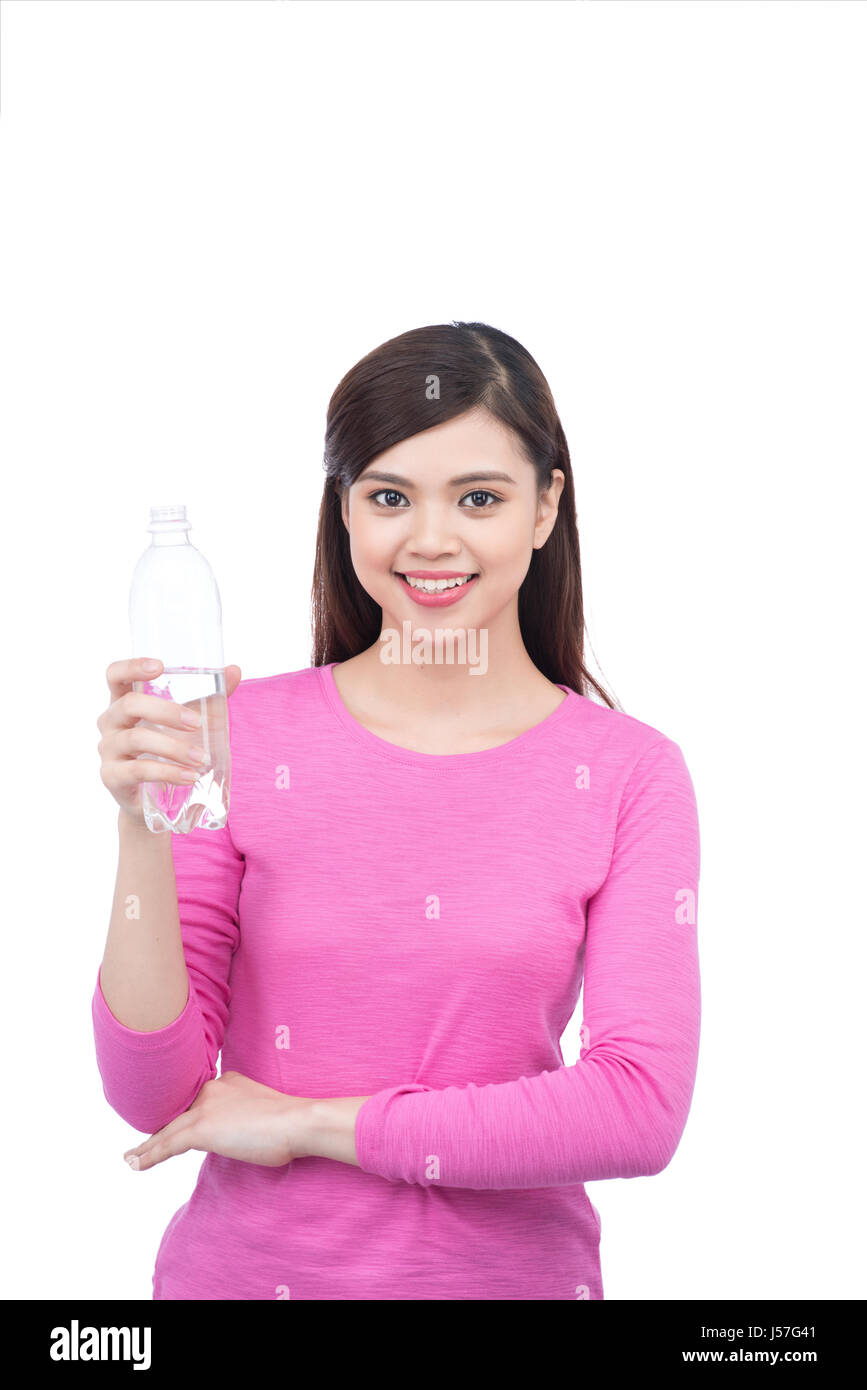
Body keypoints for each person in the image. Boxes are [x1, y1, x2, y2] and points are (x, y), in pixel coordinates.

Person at [93, 320, 701, 1300]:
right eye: (388, 496)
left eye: (479, 498)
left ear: (546, 508)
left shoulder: (629, 774)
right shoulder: (234, 737)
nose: (430, 538)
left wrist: (312, 1123)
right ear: (345, 511)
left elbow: (637, 1108)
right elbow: (154, 1094)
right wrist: (141, 820)